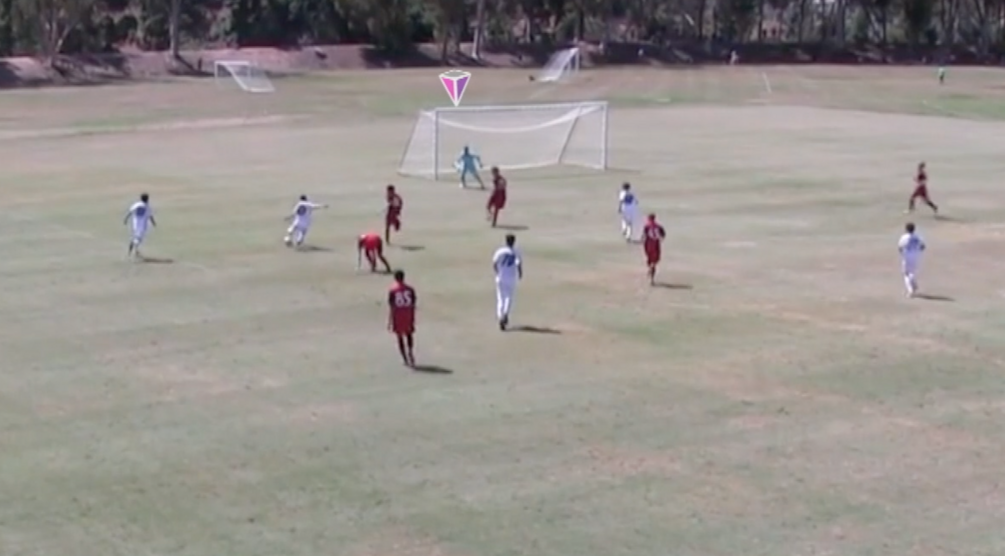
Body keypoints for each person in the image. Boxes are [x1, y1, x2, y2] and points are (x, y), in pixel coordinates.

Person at [492, 233, 522, 330]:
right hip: (511, 277)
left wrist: (497, 272)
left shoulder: (500, 251)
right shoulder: (515, 252)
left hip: (500, 277)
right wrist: (520, 273)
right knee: (509, 298)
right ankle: (505, 314)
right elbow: (518, 264)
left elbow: (494, 263)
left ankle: (500, 316)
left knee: (500, 298)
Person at [387, 269, 417, 367]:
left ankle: (404, 358)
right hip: (408, 313)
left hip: (398, 314)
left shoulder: (393, 290)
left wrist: (390, 320)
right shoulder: (410, 289)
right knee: (409, 334)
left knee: (399, 336)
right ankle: (410, 352)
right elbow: (413, 303)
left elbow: (392, 306)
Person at [123, 193, 156, 259]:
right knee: (137, 239)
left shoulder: (136, 204)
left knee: (136, 238)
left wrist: (126, 219)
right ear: (147, 199)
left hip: (135, 224)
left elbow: (130, 212)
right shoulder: (147, 206)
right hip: (142, 226)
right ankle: (133, 251)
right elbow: (150, 216)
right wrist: (153, 222)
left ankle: (134, 251)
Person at [898, 222, 926, 298]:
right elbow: (923, 246)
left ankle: (911, 290)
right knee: (912, 271)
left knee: (906, 273)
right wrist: (918, 251)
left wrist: (902, 254)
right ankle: (914, 284)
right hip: (916, 256)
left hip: (907, 256)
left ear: (906, 229)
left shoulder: (904, 237)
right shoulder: (917, 237)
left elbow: (900, 247)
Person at [642, 213, 666, 285]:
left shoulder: (647, 226)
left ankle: (650, 268)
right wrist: (660, 239)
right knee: (655, 261)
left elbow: (644, 235)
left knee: (649, 259)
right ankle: (652, 278)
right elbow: (663, 235)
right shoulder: (658, 226)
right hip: (656, 244)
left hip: (648, 244)